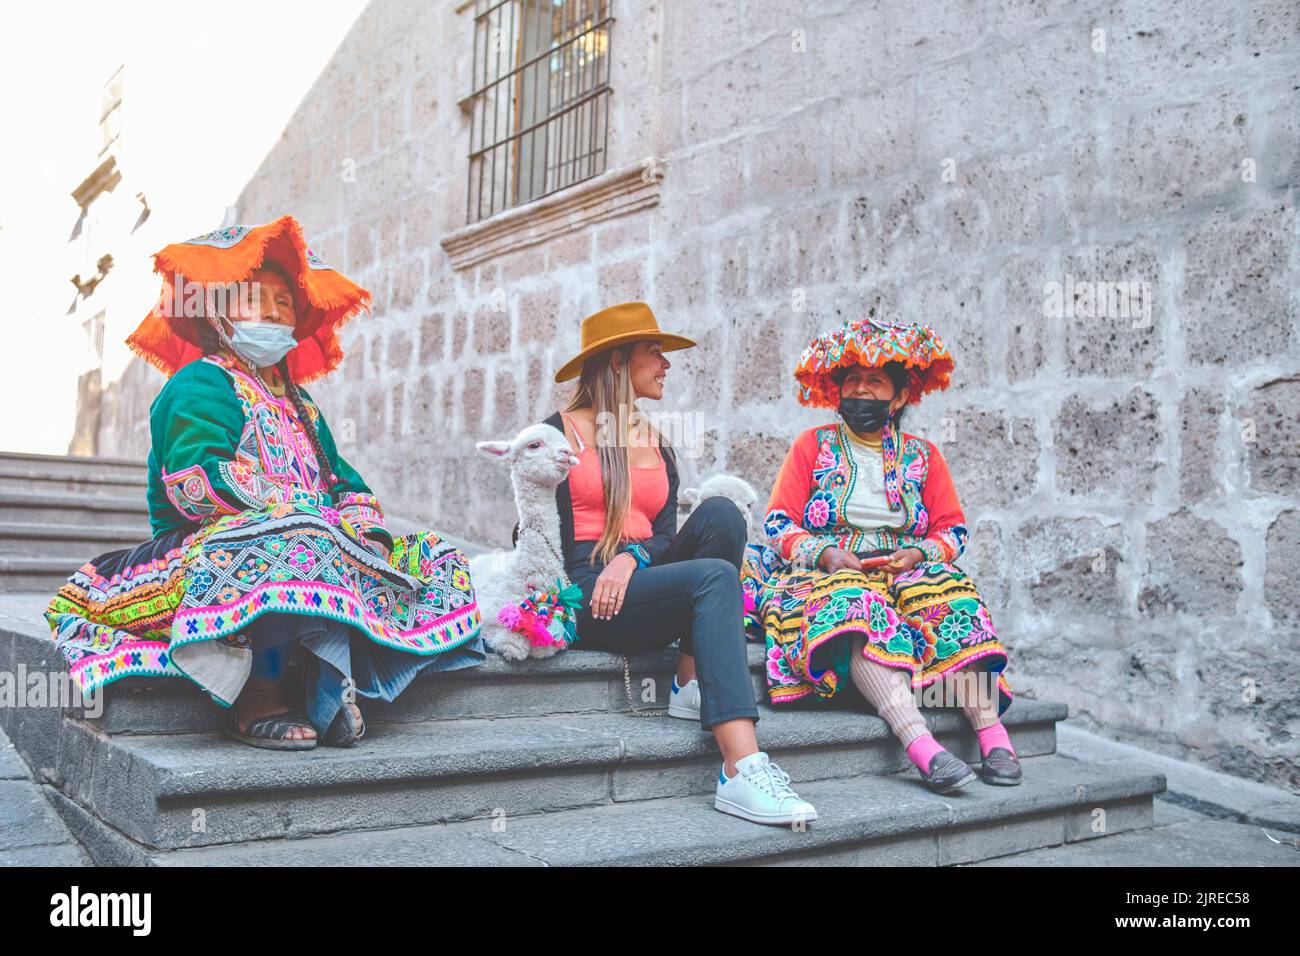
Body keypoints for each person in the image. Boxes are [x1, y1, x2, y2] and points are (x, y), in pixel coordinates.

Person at [46, 215, 484, 750]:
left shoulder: (298, 401)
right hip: (196, 554)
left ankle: (336, 681)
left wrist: (365, 534)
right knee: (295, 538)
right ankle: (260, 693)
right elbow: (195, 481)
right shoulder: (201, 382)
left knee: (432, 556)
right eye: (259, 302)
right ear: (218, 313)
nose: (276, 316)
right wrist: (303, 513)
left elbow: (346, 483)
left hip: (307, 536)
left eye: (284, 306)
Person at [517, 301, 817, 826]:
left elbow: (663, 536)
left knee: (722, 514)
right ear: (616, 361)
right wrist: (596, 572)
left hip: (638, 578)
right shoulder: (556, 436)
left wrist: (631, 558)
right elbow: (537, 531)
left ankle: (686, 680)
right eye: (653, 351)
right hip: (587, 589)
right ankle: (741, 769)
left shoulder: (655, 441)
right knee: (717, 577)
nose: (666, 363)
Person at [741, 316, 1020, 793]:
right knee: (855, 601)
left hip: (903, 569)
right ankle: (922, 746)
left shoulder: (924, 456)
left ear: (898, 396)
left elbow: (953, 530)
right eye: (852, 380)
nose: (861, 390)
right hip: (828, 573)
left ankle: (993, 736)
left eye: (874, 382)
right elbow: (778, 523)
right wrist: (825, 552)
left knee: (954, 596)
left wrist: (918, 553)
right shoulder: (813, 445)